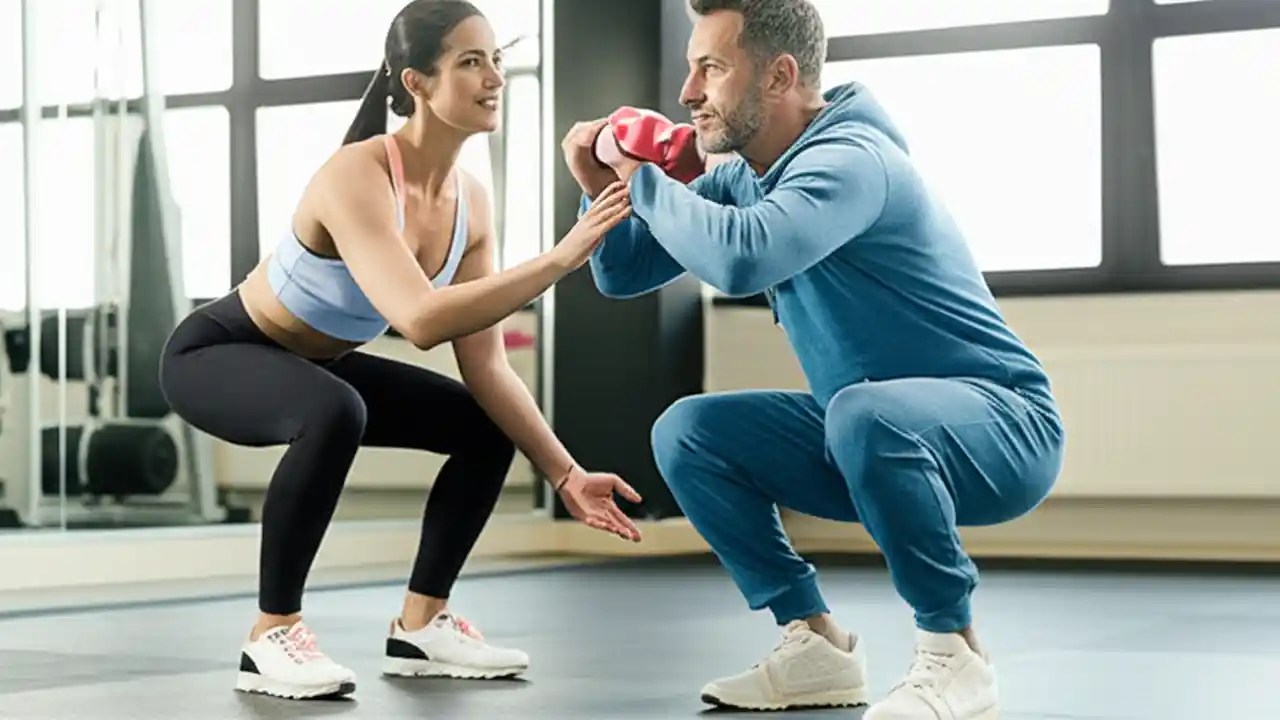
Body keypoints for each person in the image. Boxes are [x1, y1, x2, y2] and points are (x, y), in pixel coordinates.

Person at [563, 0, 1066, 718]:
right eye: (690, 68)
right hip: (865, 429)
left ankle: (956, 655)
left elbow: (741, 259)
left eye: (710, 68)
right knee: (690, 432)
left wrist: (642, 177)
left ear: (780, 76)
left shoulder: (855, 160)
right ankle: (816, 646)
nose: (687, 94)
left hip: (1004, 429)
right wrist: (601, 186)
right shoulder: (746, 175)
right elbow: (622, 274)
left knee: (864, 413)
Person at [159, 0, 643, 701]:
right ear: (415, 82)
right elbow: (420, 320)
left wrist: (564, 473)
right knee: (335, 409)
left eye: (497, 60)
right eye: (470, 61)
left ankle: (422, 624)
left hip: (316, 367)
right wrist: (559, 260)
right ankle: (272, 634)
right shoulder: (355, 175)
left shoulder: (472, 201)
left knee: (483, 428)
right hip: (217, 352)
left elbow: (486, 364)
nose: (494, 77)